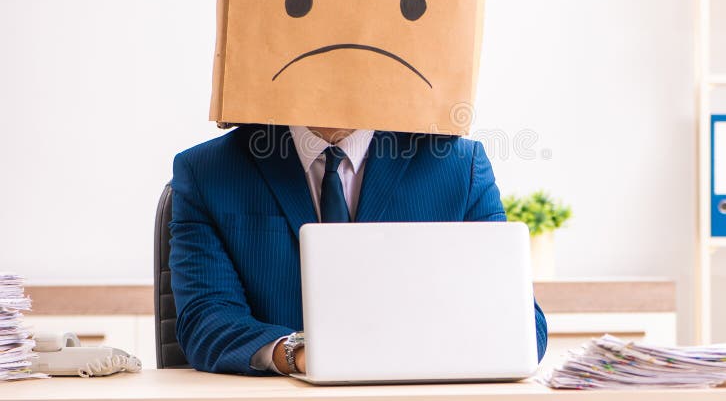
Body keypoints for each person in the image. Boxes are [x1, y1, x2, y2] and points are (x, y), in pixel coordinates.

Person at [170, 123, 548, 375]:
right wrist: (299, 353)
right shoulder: (208, 171)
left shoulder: (457, 166)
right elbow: (205, 320)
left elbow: (523, 327)